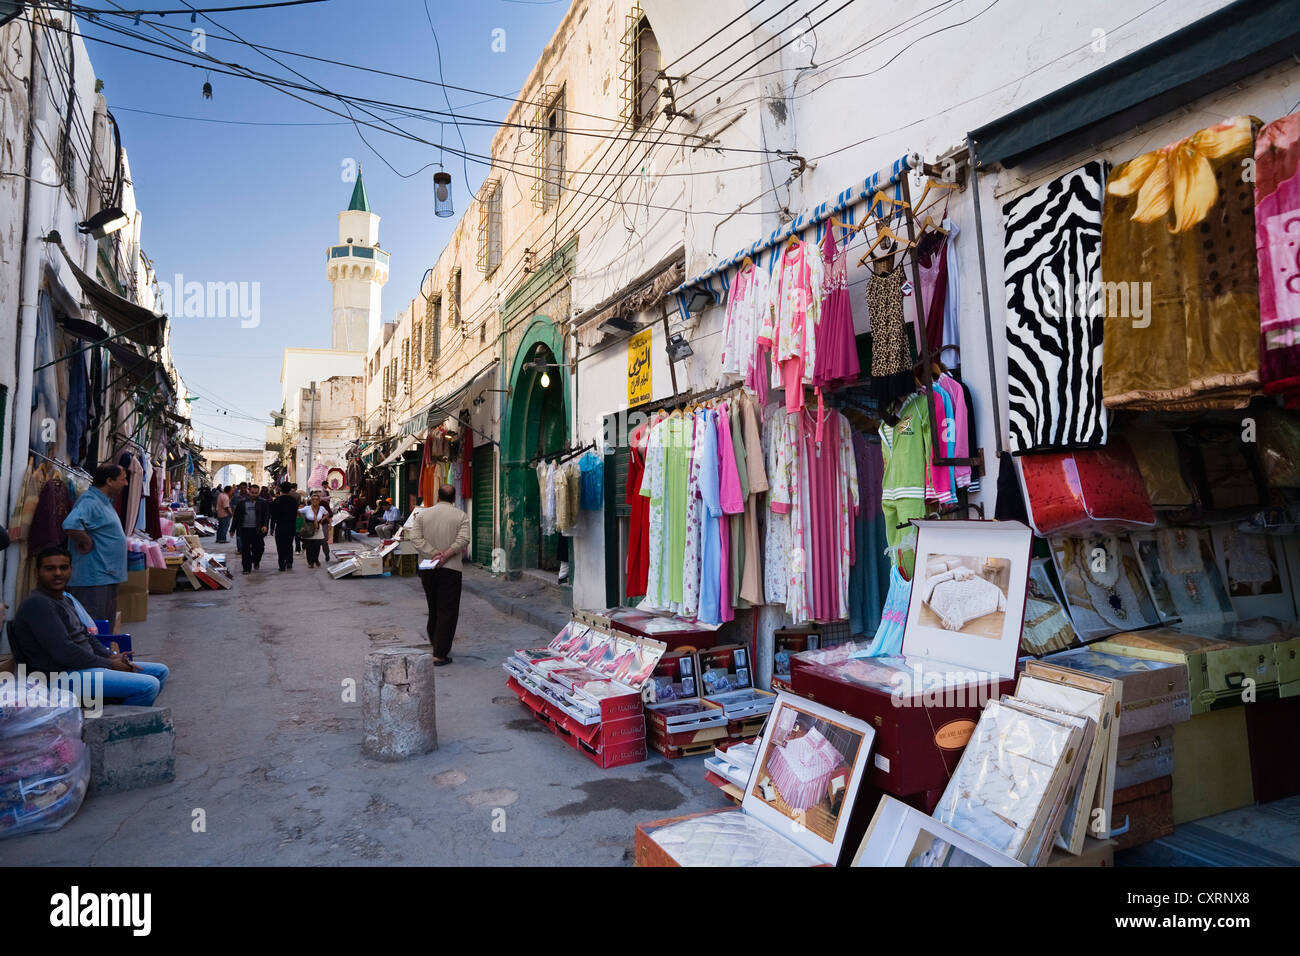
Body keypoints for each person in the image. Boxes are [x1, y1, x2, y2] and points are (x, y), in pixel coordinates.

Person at [9, 546, 169, 706]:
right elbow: (64, 651)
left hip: (83, 667)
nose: (58, 573)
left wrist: (109, 656)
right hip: (60, 676)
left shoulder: (65, 599)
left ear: (71, 570)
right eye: (50, 568)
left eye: (63, 568)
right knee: (148, 686)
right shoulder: (38, 603)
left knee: (160, 671)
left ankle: (115, 715)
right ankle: (116, 727)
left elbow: (86, 636)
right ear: (37, 573)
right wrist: (110, 664)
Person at [409, 484, 470, 665]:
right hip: (450, 569)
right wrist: (445, 554)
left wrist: (433, 553)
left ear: (438, 496)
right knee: (447, 610)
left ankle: (436, 642)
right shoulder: (460, 515)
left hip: (428, 568)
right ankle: (440, 653)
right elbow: (463, 539)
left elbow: (415, 538)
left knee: (434, 607)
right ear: (454, 498)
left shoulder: (422, 514)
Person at [61, 463, 130, 624]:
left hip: (105, 577)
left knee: (103, 627)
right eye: (123, 479)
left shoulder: (103, 500)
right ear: (109, 481)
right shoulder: (90, 501)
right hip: (93, 579)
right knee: (93, 628)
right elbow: (70, 524)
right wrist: (86, 542)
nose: (126, 483)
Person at [231, 483, 268, 574]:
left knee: (259, 548)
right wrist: (232, 529)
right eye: (252, 492)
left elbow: (266, 515)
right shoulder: (242, 502)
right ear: (249, 492)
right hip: (245, 529)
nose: (254, 495)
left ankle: (256, 561)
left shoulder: (262, 502)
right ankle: (246, 568)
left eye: (256, 493)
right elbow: (236, 516)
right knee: (245, 550)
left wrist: (265, 525)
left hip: (257, 530)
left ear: (258, 493)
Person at [268, 482, 300, 571]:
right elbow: (295, 515)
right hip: (290, 526)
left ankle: (281, 565)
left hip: (280, 526)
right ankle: (289, 562)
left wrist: (271, 528)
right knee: (289, 545)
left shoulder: (276, 501)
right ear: (290, 489)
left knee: (280, 545)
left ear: (281, 490)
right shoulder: (294, 501)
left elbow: (273, 516)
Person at [299, 490, 330, 568]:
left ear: (319, 500)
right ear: (311, 500)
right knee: (309, 547)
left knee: (317, 547)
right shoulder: (307, 508)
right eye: (313, 499)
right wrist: (302, 519)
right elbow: (298, 511)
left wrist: (323, 519)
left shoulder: (322, 508)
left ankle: (316, 559)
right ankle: (310, 562)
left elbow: (327, 513)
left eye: (317, 499)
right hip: (309, 529)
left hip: (318, 529)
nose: (315, 501)